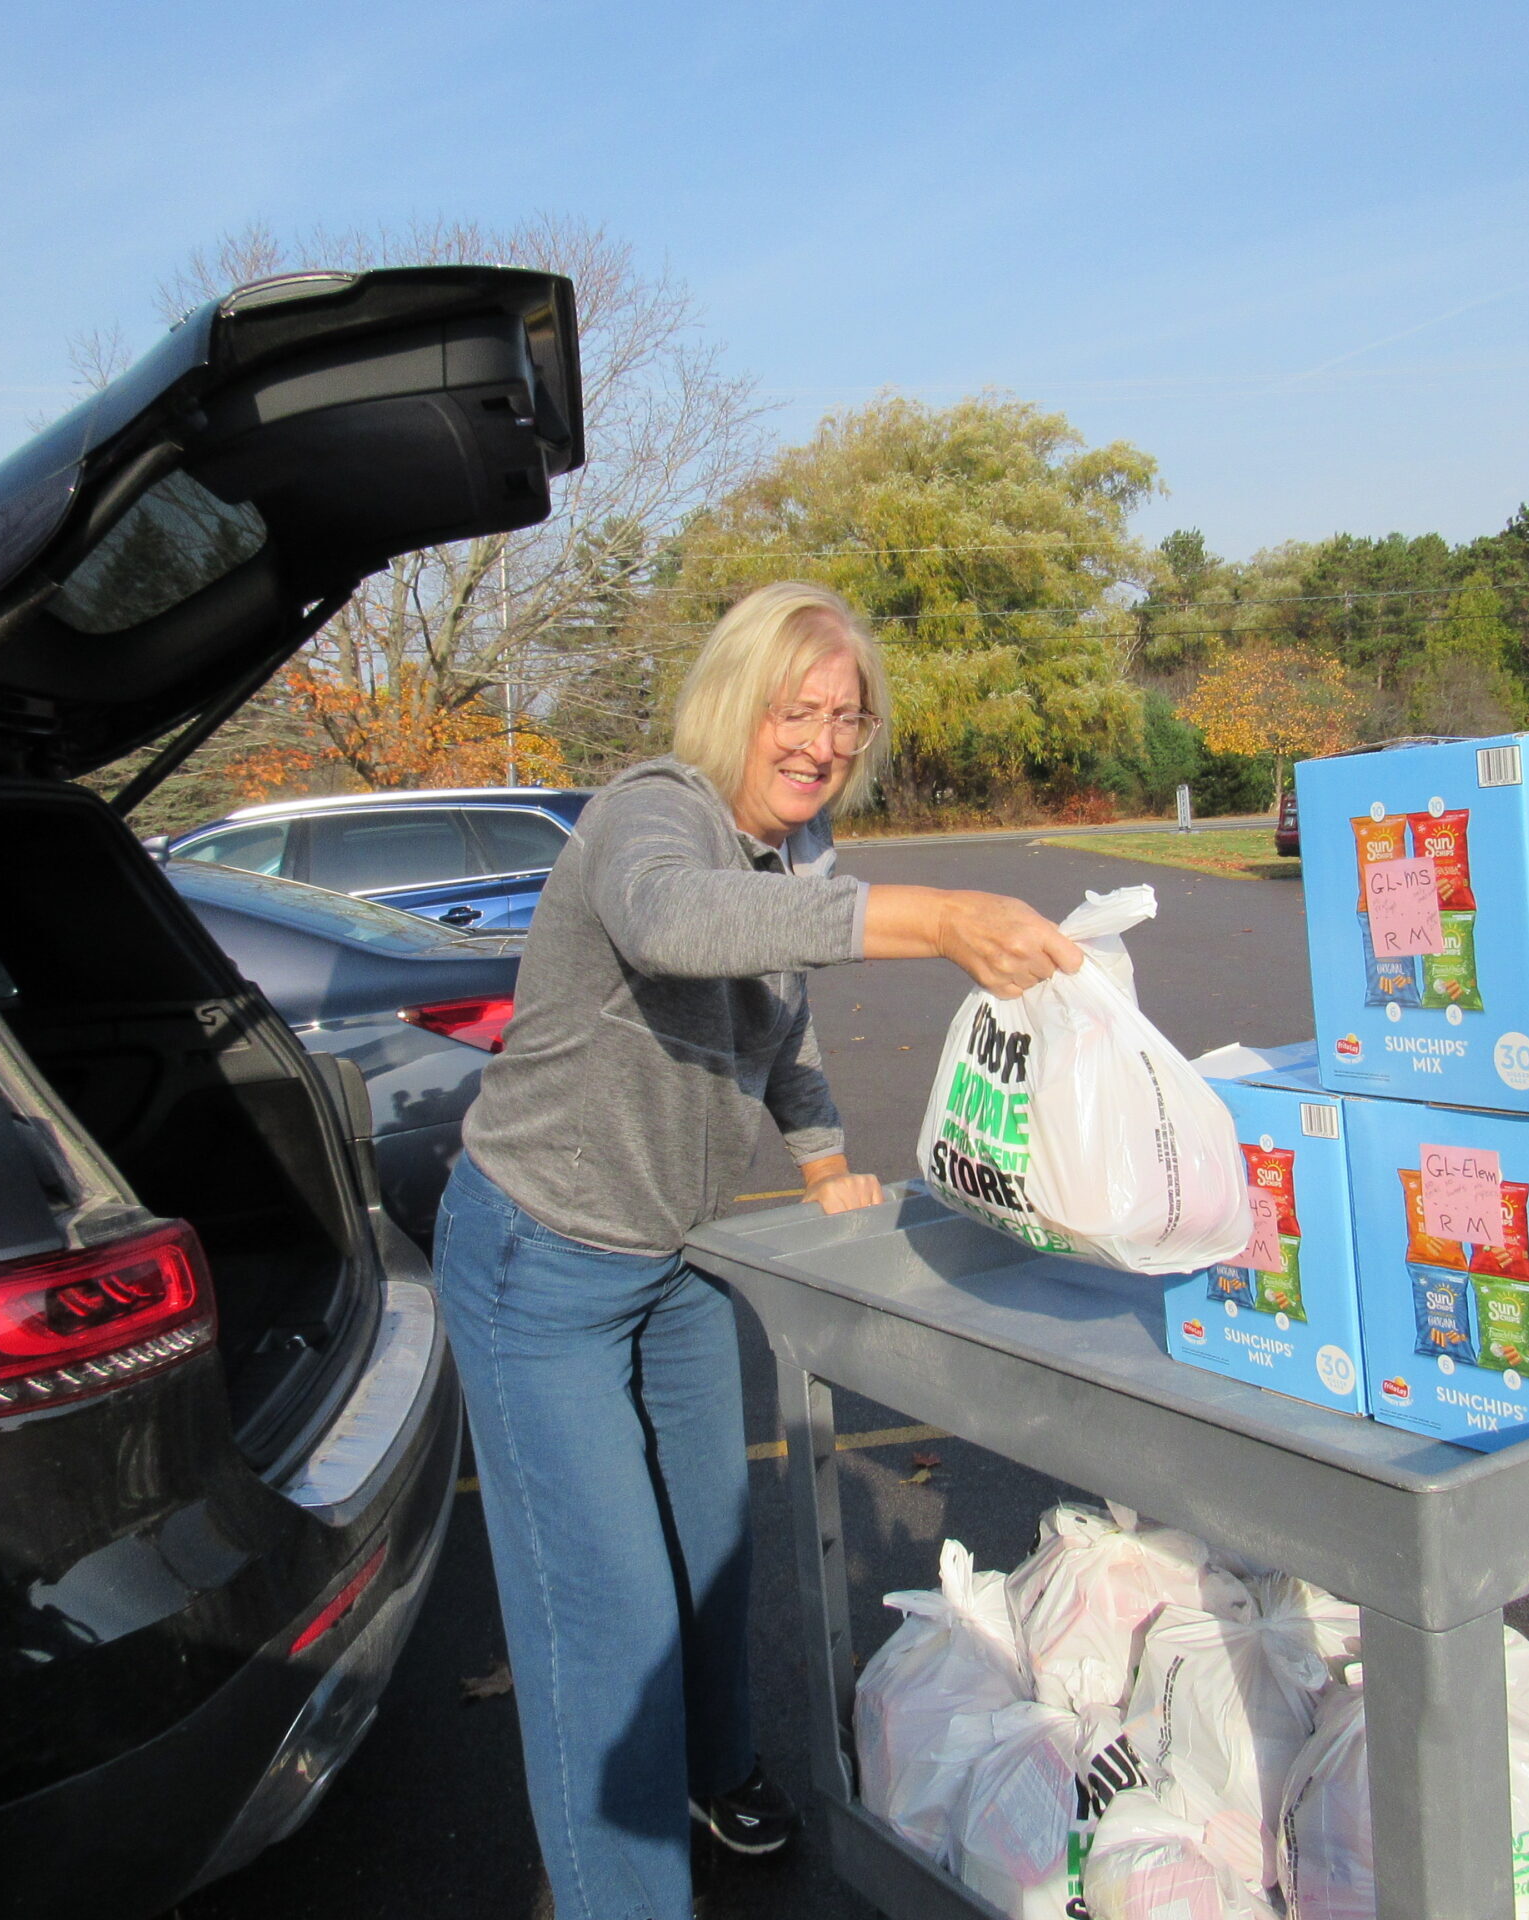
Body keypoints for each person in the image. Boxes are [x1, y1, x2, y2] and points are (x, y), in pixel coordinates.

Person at [435, 580, 1083, 1920]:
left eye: (848, 718)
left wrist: (829, 1158)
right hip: (538, 1257)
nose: (825, 740)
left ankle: (713, 1775)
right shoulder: (651, 813)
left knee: (711, 1555)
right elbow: (680, 926)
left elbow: (777, 1025)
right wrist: (935, 917)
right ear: (739, 701)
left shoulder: (799, 845)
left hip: (676, 1254)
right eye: (800, 709)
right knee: (605, 1625)